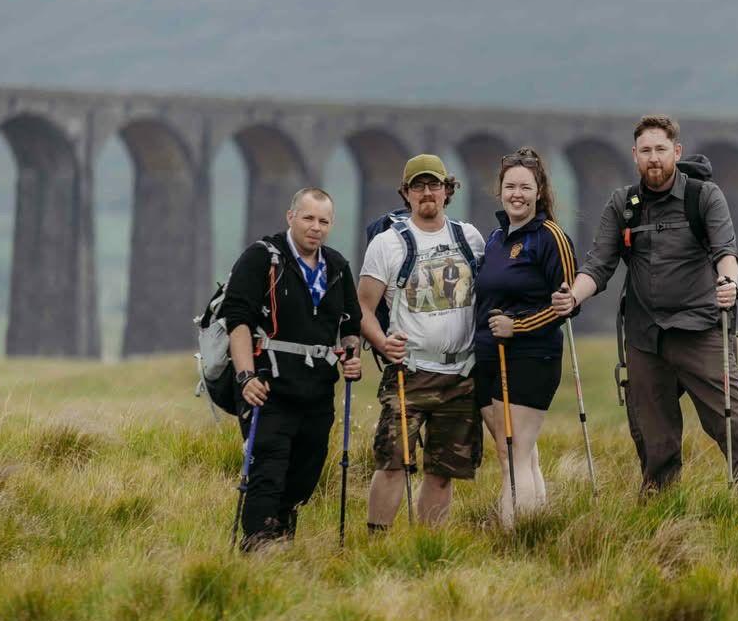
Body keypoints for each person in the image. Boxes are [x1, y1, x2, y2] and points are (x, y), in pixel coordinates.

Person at [551, 115, 738, 522]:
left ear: (676, 151)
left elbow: (725, 250)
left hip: (701, 332)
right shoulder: (622, 205)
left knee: (735, 428)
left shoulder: (704, 196)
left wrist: (729, 283)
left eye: (661, 150)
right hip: (646, 339)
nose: (653, 159)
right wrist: (573, 296)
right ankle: (660, 523)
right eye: (645, 151)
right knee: (654, 442)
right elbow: (599, 265)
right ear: (634, 156)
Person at [221, 188, 362, 551]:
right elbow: (237, 320)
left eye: (323, 221)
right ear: (291, 217)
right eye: (308, 218)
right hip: (268, 385)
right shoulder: (261, 258)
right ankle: (259, 546)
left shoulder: (338, 266)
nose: (315, 227)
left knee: (305, 475)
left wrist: (351, 356)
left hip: (317, 391)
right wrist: (245, 376)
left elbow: (350, 326)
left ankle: (281, 538)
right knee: (268, 466)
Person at [358, 154, 486, 529]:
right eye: (418, 186)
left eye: (434, 185)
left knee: (442, 472)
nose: (427, 193)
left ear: (448, 190)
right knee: (392, 462)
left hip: (460, 372)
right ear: (406, 193)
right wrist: (382, 343)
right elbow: (363, 307)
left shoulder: (470, 238)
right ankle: (376, 541)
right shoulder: (387, 244)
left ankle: (428, 547)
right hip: (409, 370)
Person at [474, 147, 578, 527]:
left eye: (525, 187)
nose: (516, 194)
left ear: (539, 191)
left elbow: (567, 306)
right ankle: (535, 528)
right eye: (510, 186)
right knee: (514, 454)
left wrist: (517, 327)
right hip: (488, 356)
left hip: (531, 357)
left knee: (515, 453)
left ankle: (516, 536)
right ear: (500, 190)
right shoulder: (495, 238)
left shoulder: (551, 237)